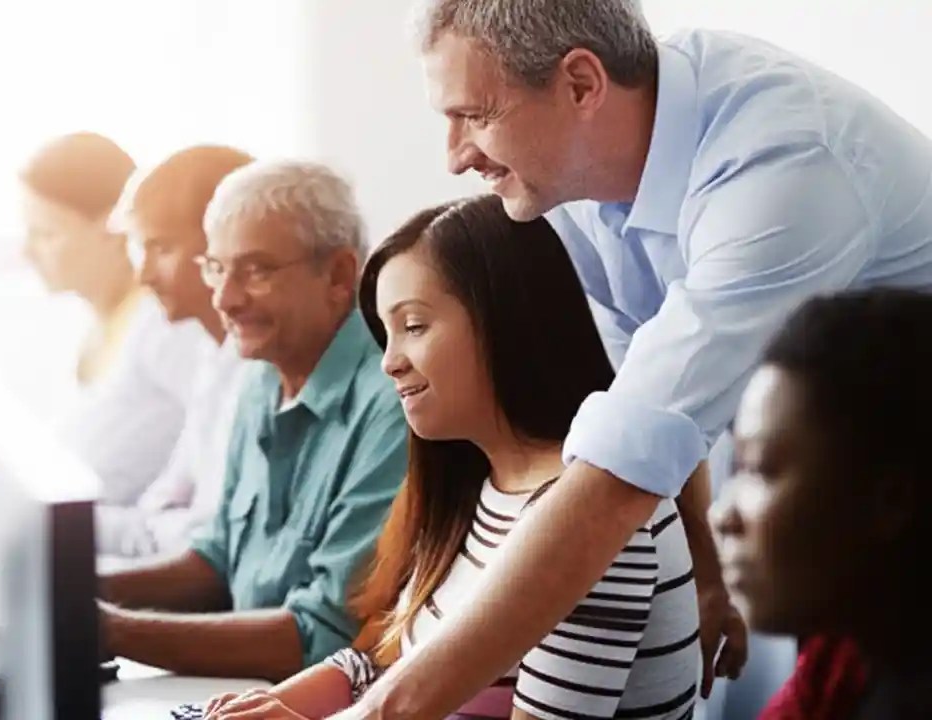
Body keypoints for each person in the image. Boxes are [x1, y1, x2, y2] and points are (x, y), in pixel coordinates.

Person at [339, 1, 932, 715]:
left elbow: (621, 471)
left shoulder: (785, 165)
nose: (456, 155)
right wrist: (707, 575)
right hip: (854, 525)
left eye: (475, 115)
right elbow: (644, 407)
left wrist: (380, 711)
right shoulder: (575, 174)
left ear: (582, 84)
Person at [205, 196, 701, 720]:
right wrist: (268, 707)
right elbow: (378, 662)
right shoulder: (477, 485)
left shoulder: (595, 524)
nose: (390, 363)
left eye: (414, 326)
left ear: (507, 318)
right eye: (385, 333)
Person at [98, 161, 408, 681]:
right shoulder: (260, 377)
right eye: (216, 268)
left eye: (256, 270)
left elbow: (322, 637)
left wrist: (112, 631)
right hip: (246, 689)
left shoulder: (391, 406)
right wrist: (80, 592)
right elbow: (217, 560)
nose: (225, 298)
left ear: (337, 274)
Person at [712, 289, 932, 720]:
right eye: (735, 468)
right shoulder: (842, 659)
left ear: (891, 500)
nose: (723, 516)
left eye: (757, 469)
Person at [19, 131, 206, 506]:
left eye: (46, 234)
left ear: (113, 227)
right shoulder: (101, 326)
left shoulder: (169, 327)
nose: (27, 252)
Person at [96, 144, 255, 558]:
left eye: (162, 248)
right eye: (140, 248)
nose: (144, 275)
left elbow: (203, 544)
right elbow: (163, 505)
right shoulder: (214, 354)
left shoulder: (258, 374)